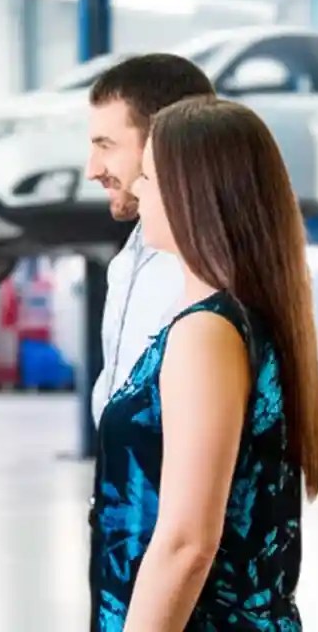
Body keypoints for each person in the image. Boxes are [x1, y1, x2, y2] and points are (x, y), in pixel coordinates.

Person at [88, 97, 318, 631]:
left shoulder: (207, 332)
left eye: (148, 177)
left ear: (190, 194)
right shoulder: (235, 320)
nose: (137, 190)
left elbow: (187, 542)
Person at [84, 54, 217, 427]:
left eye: (106, 145)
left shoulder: (209, 276)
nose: (91, 170)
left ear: (167, 141)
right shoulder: (131, 259)